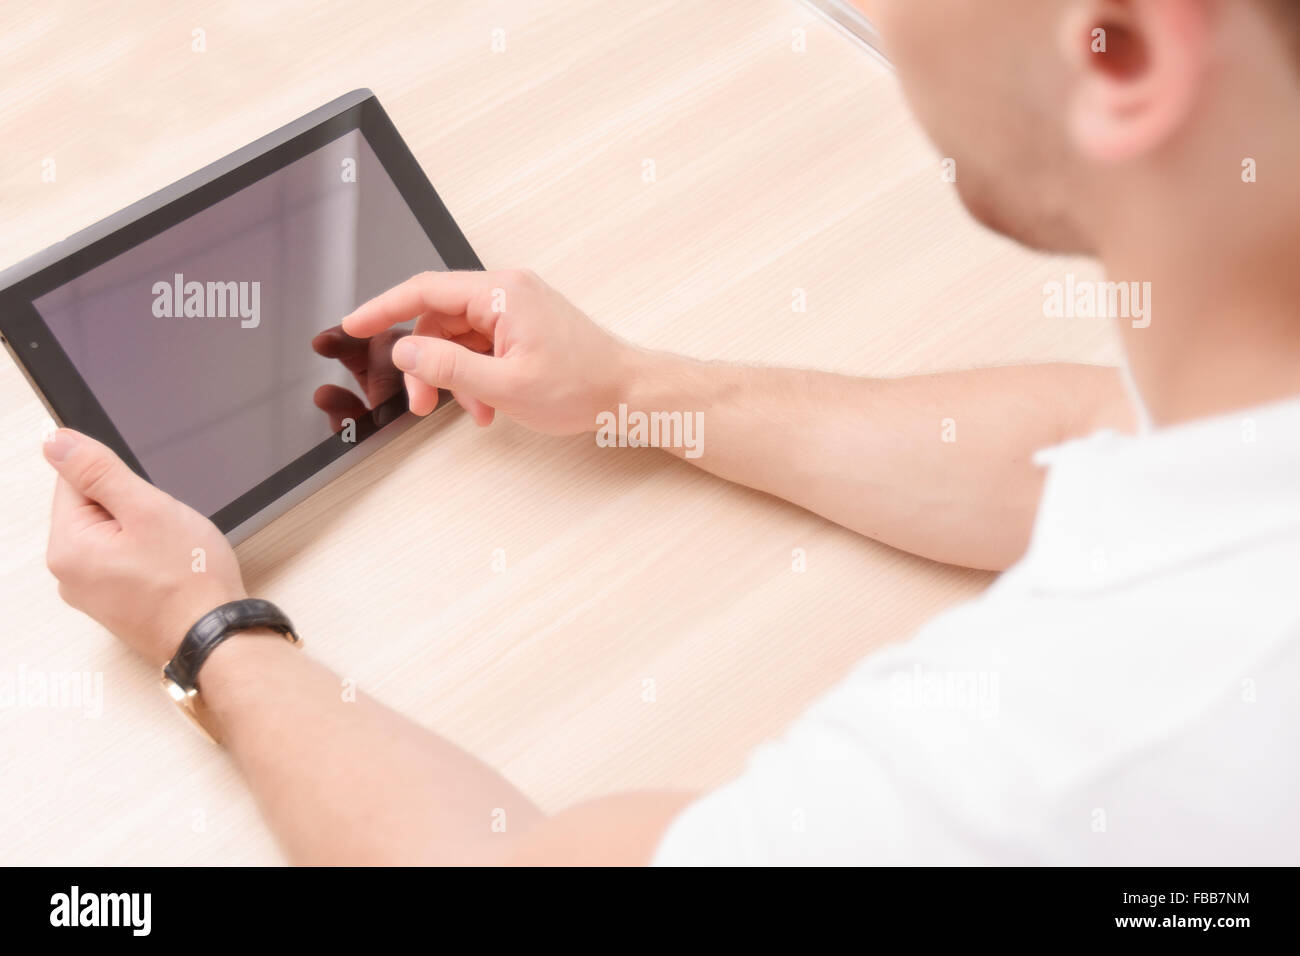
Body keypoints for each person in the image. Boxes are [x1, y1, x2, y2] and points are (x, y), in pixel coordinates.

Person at [41, 0, 1300, 864]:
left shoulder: (1070, 760)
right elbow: (1085, 438)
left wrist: (206, 630)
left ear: (1119, 51)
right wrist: (633, 389)